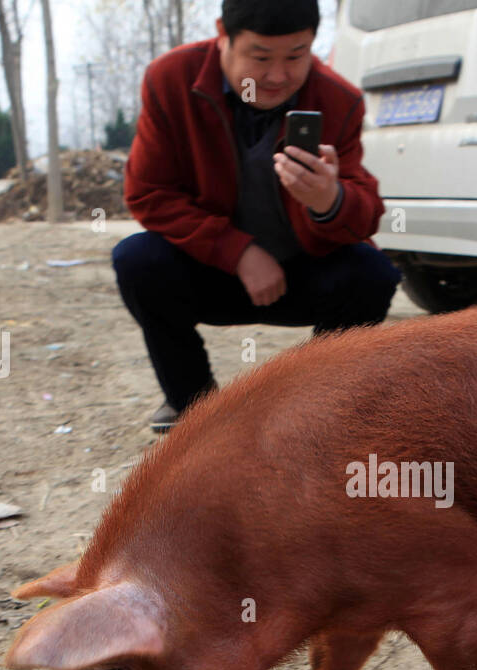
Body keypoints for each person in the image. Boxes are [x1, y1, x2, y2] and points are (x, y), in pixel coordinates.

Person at [113, 0, 401, 431]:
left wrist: (329, 200)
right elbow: (148, 192)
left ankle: (318, 402)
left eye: (296, 55)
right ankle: (192, 405)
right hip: (213, 272)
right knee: (137, 260)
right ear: (222, 35)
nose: (278, 76)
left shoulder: (339, 99)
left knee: (373, 273)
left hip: (303, 275)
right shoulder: (171, 79)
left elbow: (366, 213)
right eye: (261, 57)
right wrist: (239, 252)